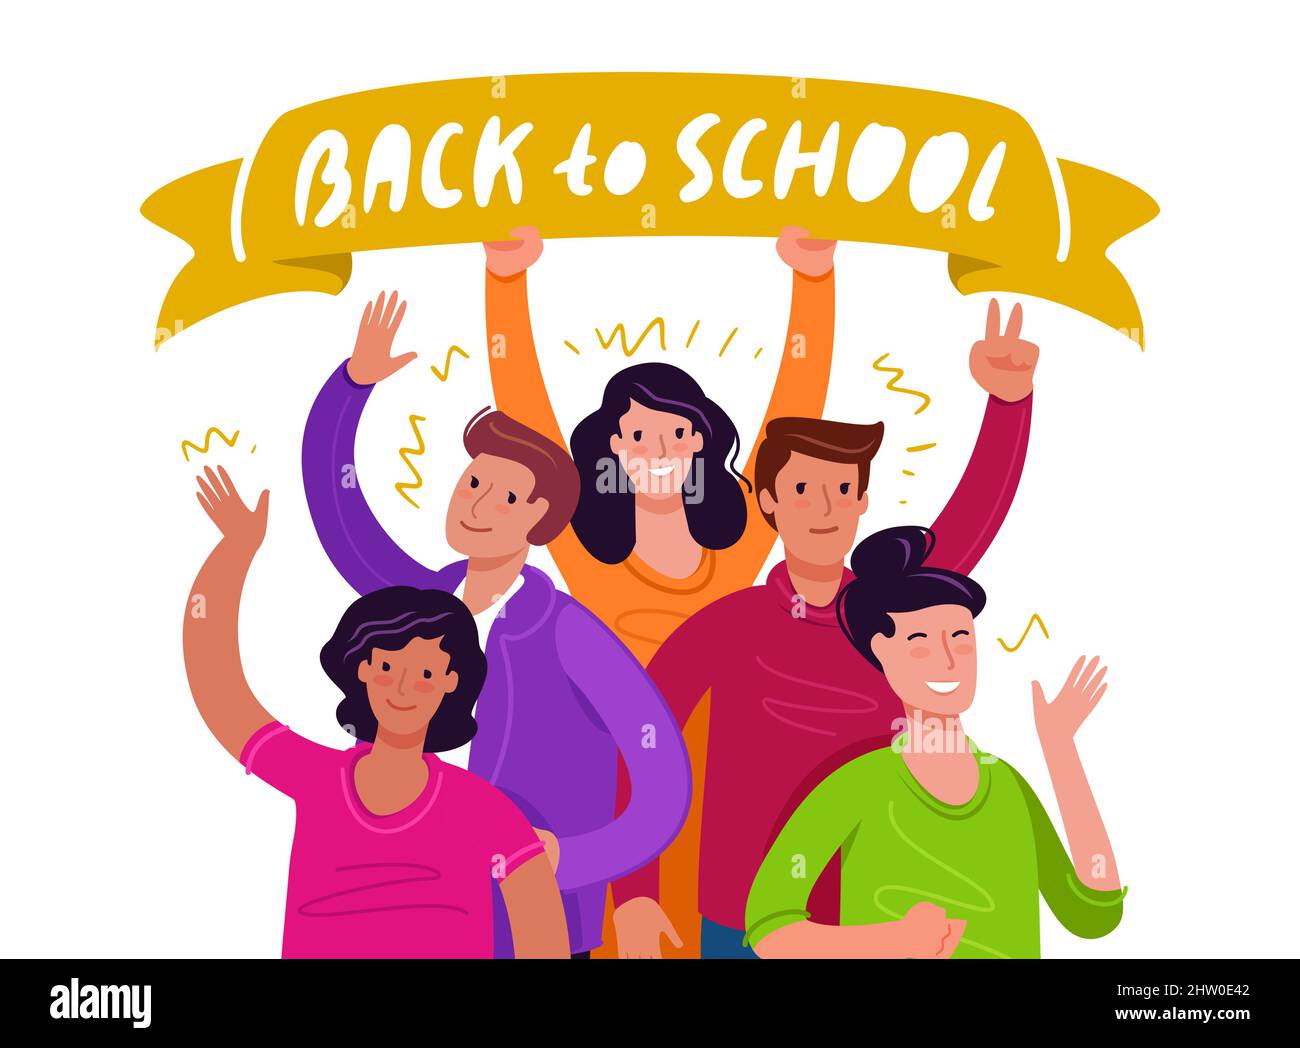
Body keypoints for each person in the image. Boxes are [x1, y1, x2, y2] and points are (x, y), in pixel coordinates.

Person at [611, 299, 1039, 957]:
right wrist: (635, 895)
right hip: (740, 914)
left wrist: (1008, 404)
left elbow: (972, 520)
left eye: (842, 490)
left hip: (879, 907)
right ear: (769, 501)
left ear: (864, 501)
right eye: (803, 490)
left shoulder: (892, 614)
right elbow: (644, 741)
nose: (825, 509)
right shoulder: (727, 626)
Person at [300, 292, 691, 959]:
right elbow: (340, 514)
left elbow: (665, 780)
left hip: (526, 929)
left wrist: (572, 859)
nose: (477, 505)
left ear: (541, 520)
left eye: (506, 496)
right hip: (407, 907)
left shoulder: (568, 634)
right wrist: (350, 388)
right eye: (473, 482)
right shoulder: (416, 607)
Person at [484, 224, 838, 956]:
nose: (659, 452)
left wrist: (813, 282)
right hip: (614, 794)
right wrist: (505, 282)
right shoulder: (590, 553)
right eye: (639, 436)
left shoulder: (737, 547)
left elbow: (792, 411)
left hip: (724, 799)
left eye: (677, 435)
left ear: (701, 443)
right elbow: (527, 413)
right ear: (613, 447)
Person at [183, 464, 569, 958]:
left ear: (450, 683)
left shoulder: (485, 812)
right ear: (362, 668)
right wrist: (235, 550)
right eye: (387, 667)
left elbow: (543, 936)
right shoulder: (316, 778)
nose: (404, 688)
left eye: (425, 673)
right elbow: (218, 690)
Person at [744, 526, 1125, 958]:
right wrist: (893, 940)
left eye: (960, 639)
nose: (947, 662)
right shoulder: (857, 786)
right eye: (919, 642)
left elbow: (1094, 914)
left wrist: (1060, 749)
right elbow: (770, 929)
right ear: (881, 651)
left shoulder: (1010, 789)